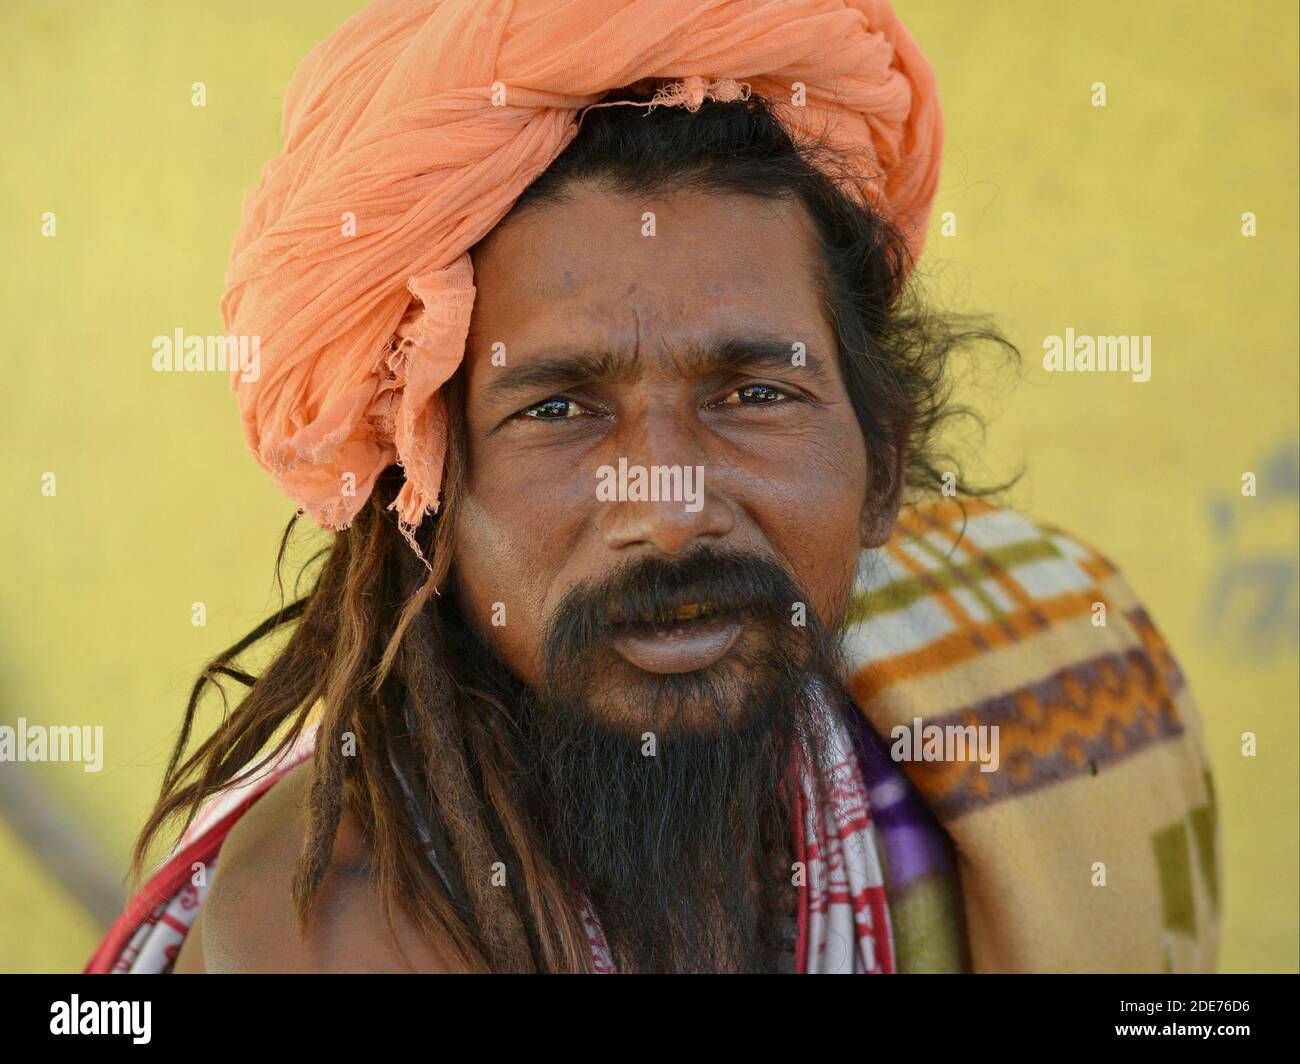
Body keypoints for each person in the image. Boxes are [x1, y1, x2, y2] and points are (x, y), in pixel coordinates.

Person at [86, 0, 1218, 975]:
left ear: (882, 463)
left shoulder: (1053, 664)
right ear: (421, 498)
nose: (671, 507)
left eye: (753, 394)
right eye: (558, 409)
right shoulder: (340, 929)